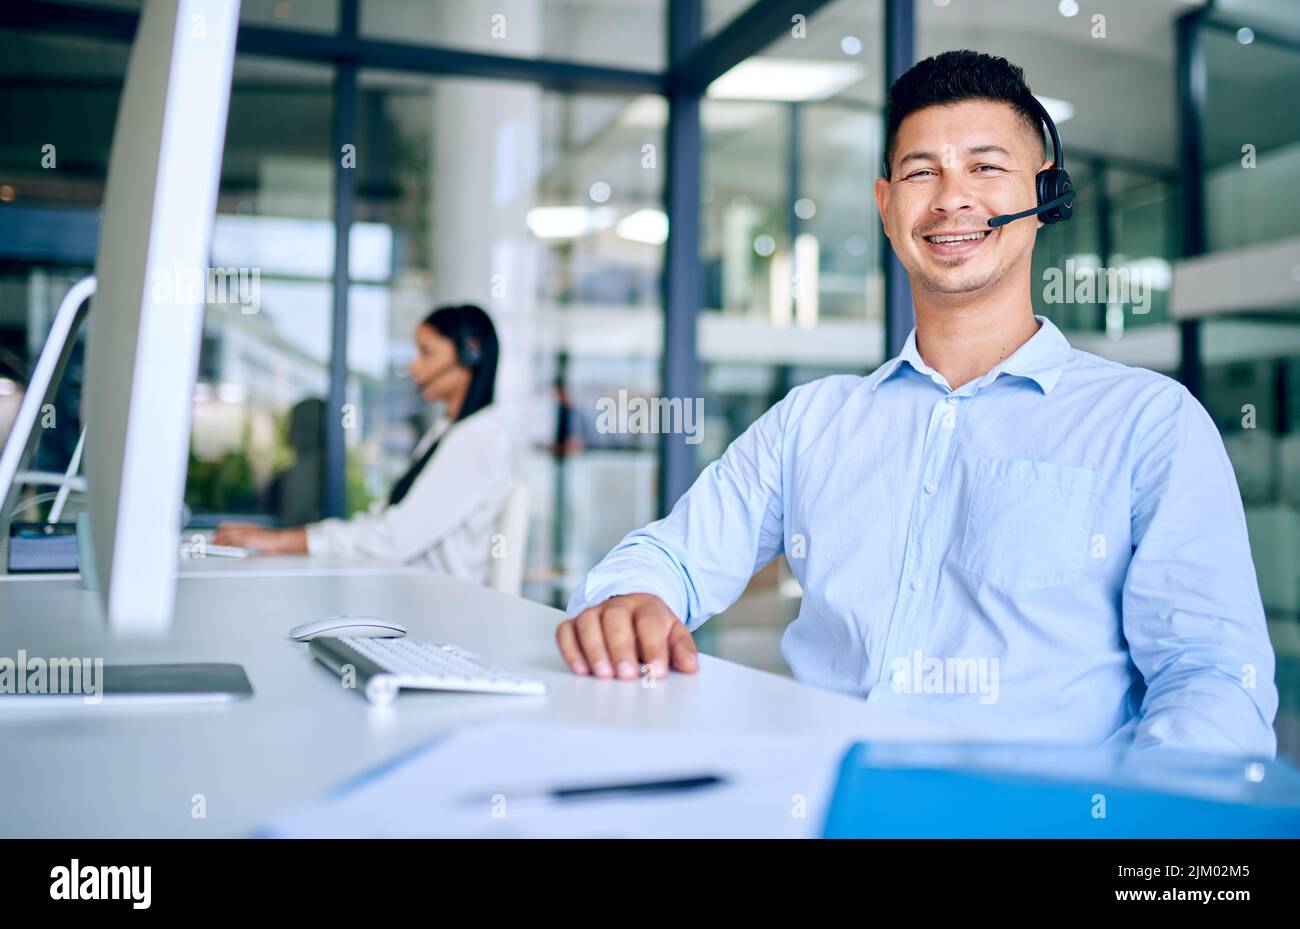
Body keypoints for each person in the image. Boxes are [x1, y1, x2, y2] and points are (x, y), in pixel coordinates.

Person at [555, 50, 1279, 758]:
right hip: (822, 802)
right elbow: (670, 557)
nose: (950, 198)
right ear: (885, 204)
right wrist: (632, 600)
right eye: (919, 171)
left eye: (986, 167)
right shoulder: (812, 421)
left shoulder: (1148, 421)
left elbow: (1211, 677)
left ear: (1046, 197)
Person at [215, 304, 512, 584]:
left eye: (426, 353)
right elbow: (379, 522)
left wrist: (283, 541)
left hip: (435, 607)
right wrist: (290, 539)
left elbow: (394, 539)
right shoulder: (446, 432)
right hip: (407, 590)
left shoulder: (479, 438)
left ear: (470, 353)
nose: (414, 367)